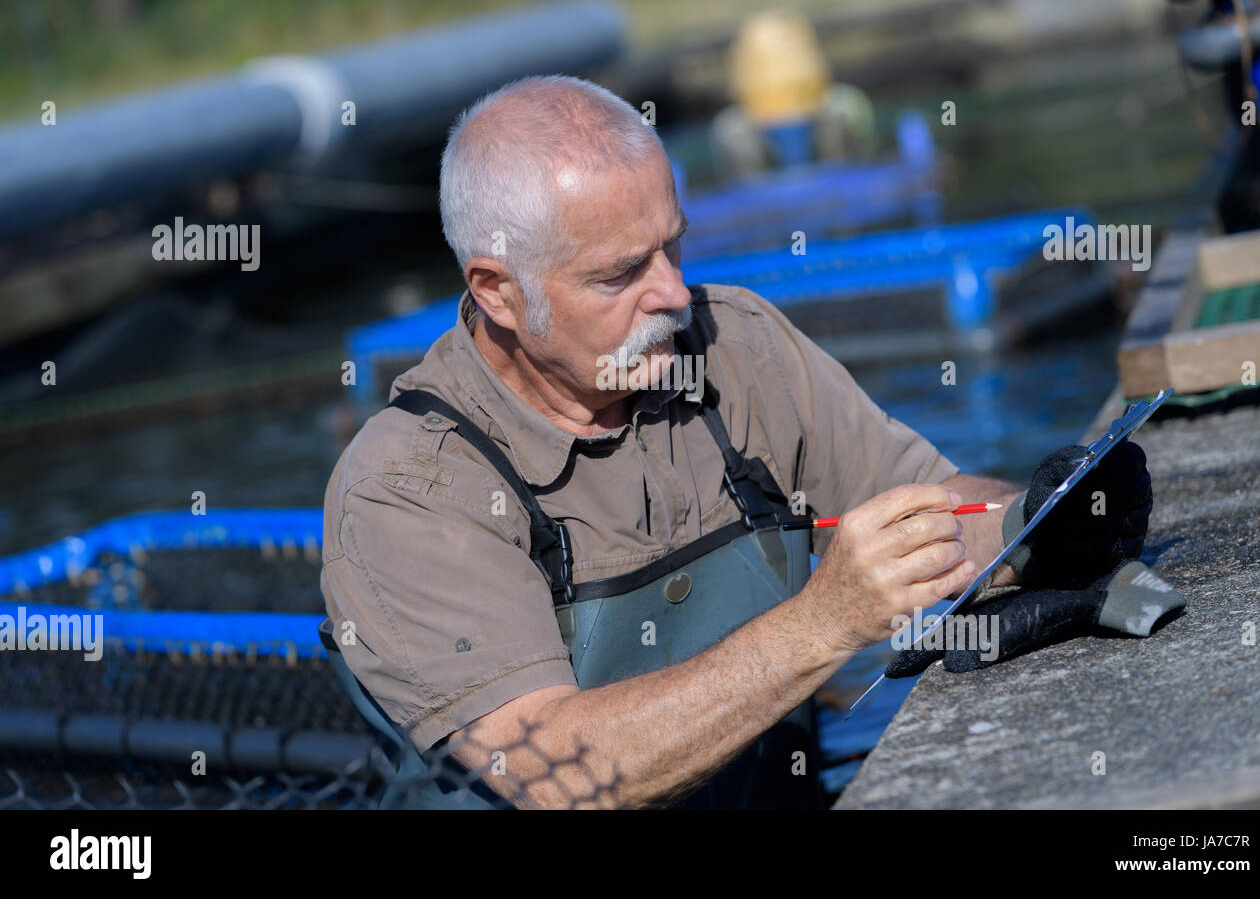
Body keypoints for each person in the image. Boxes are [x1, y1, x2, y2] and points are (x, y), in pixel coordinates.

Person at [319, 74, 1151, 809]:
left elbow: (931, 510)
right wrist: (822, 626)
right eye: (619, 275)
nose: (673, 292)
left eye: (672, 243)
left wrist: (1036, 523)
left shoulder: (737, 345)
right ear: (498, 294)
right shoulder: (404, 492)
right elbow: (555, 775)